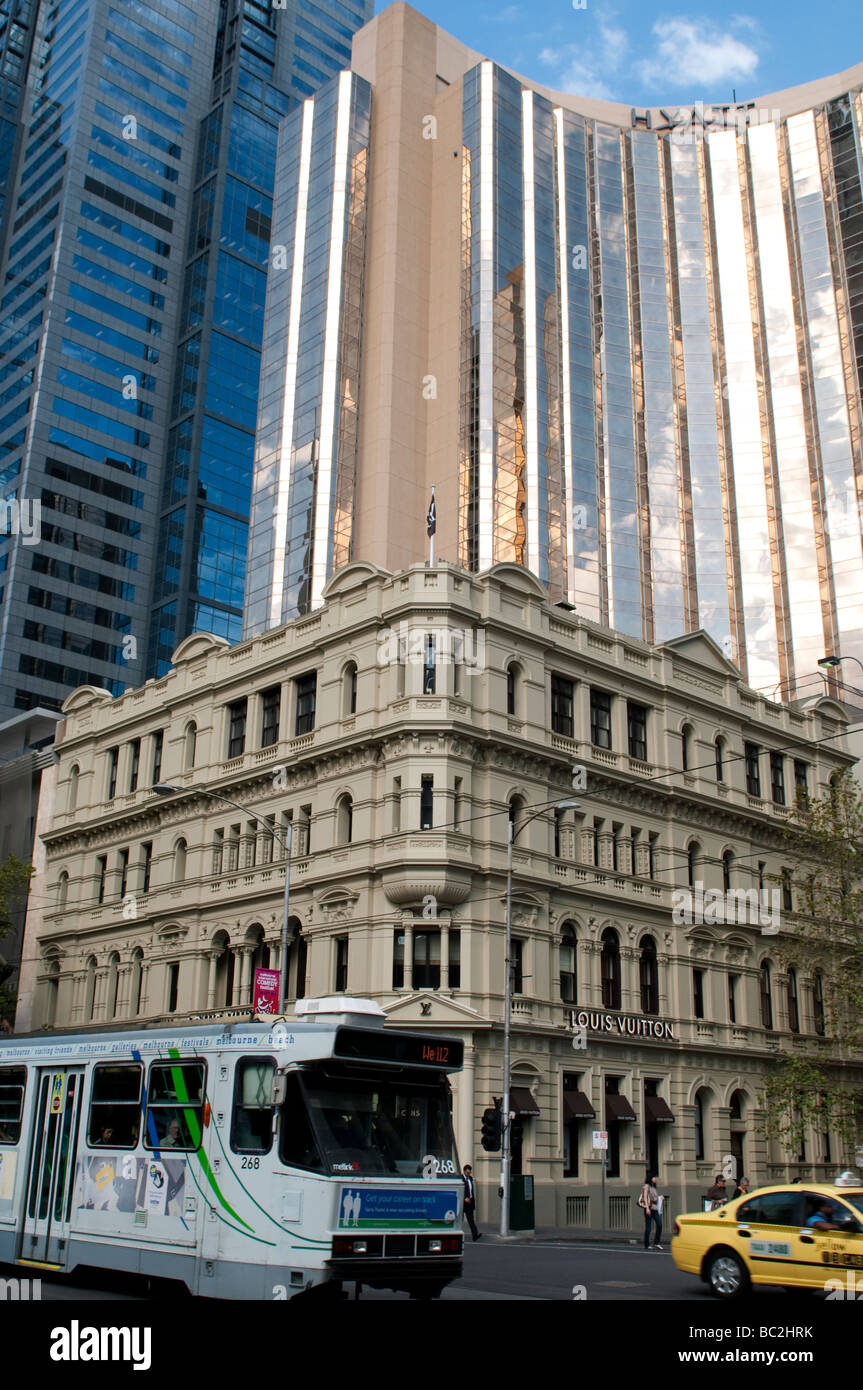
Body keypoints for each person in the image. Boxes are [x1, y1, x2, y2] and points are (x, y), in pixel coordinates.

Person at [639, 1173, 663, 1250]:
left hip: (655, 1208)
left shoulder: (653, 1187)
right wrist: (647, 1208)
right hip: (649, 1208)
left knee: (659, 1224)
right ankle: (647, 1244)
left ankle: (656, 1243)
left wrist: (660, 1198)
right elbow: (645, 1197)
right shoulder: (647, 1186)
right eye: (654, 1177)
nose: (655, 1179)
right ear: (650, 1178)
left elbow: (655, 1198)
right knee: (648, 1227)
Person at [462, 1164, 481, 1241]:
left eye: (469, 1172)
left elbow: (470, 1191)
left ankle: (475, 1235)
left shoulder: (470, 1178)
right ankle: (457, 1234)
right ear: (464, 1171)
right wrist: (464, 1198)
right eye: (467, 1172)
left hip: (469, 1202)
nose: (468, 1174)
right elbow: (460, 1189)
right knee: (460, 1219)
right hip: (462, 1203)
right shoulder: (460, 1178)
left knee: (471, 1219)